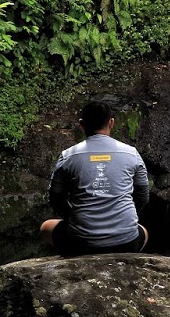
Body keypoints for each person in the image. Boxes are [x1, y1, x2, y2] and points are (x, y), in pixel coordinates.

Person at [41, 100, 150, 255]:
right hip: (126, 242)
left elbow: (56, 197)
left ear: (81, 124)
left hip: (82, 244)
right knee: (143, 231)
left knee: (46, 227)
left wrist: (72, 217)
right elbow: (143, 196)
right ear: (111, 122)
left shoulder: (68, 156)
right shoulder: (132, 153)